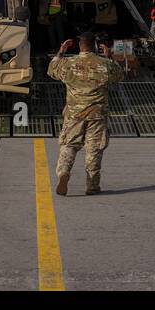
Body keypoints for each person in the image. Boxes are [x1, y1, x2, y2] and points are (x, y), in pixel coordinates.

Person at [49, 31, 125, 195]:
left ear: (78, 46)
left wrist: (61, 51)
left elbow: (52, 69)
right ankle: (92, 186)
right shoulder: (104, 64)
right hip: (97, 115)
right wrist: (110, 56)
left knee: (69, 145)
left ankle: (63, 172)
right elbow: (120, 74)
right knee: (94, 150)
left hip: (74, 114)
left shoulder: (68, 63)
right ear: (96, 46)